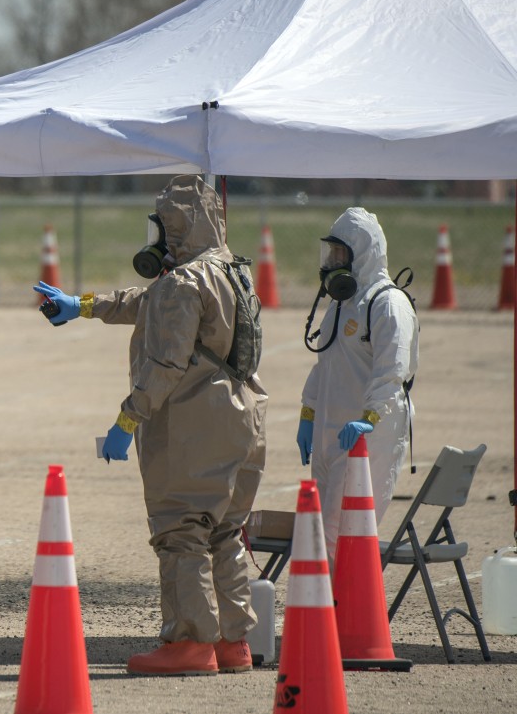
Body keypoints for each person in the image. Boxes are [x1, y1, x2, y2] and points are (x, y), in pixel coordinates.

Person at [35, 175, 267, 676]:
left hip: (195, 424)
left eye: (161, 228)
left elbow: (165, 363)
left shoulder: (183, 282)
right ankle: (232, 643)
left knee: (181, 532)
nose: (156, 239)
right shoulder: (231, 271)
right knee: (224, 532)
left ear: (177, 227)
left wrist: (127, 420)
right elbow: (145, 303)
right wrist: (83, 305)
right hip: (244, 418)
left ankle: (189, 644)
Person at [296, 207, 418, 567]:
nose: (332, 263)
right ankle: (327, 601)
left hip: (367, 437)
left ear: (361, 253)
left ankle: (341, 602)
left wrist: (370, 418)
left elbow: (392, 372)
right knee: (323, 532)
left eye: (340, 254)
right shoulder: (342, 305)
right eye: (330, 253)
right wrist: (308, 413)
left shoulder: (388, 304)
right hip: (330, 434)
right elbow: (325, 364)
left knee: (343, 533)